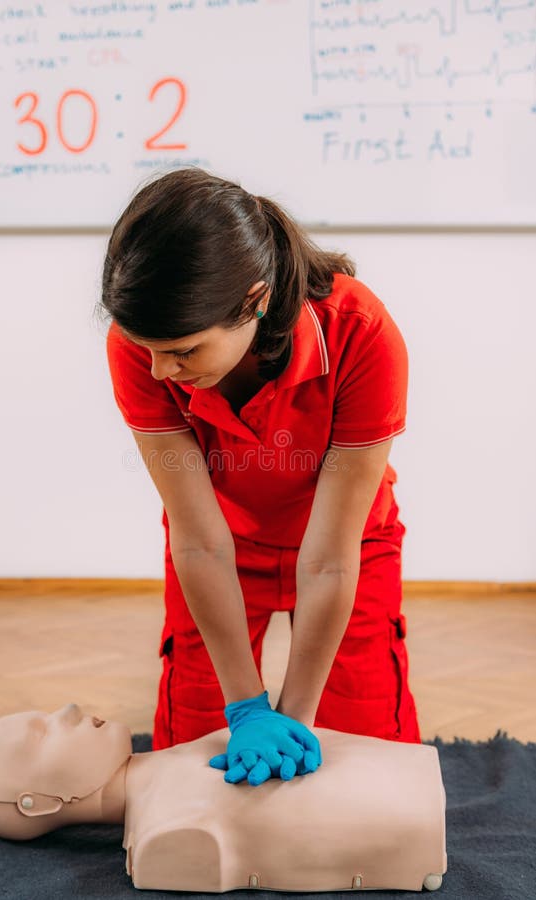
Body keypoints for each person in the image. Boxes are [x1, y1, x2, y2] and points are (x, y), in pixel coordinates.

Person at [97, 166, 421, 781]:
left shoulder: (362, 334)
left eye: (185, 352)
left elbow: (329, 559)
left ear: (255, 298)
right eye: (150, 351)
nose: (162, 372)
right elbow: (197, 538)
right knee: (187, 763)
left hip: (346, 546)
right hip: (219, 542)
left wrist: (293, 718)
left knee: (368, 762)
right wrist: (247, 709)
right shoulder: (145, 344)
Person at [0, 703, 447, 893]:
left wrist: (277, 715)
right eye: (40, 732)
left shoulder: (164, 772)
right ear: (40, 802)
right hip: (411, 821)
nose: (67, 709)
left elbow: (331, 568)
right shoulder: (162, 835)